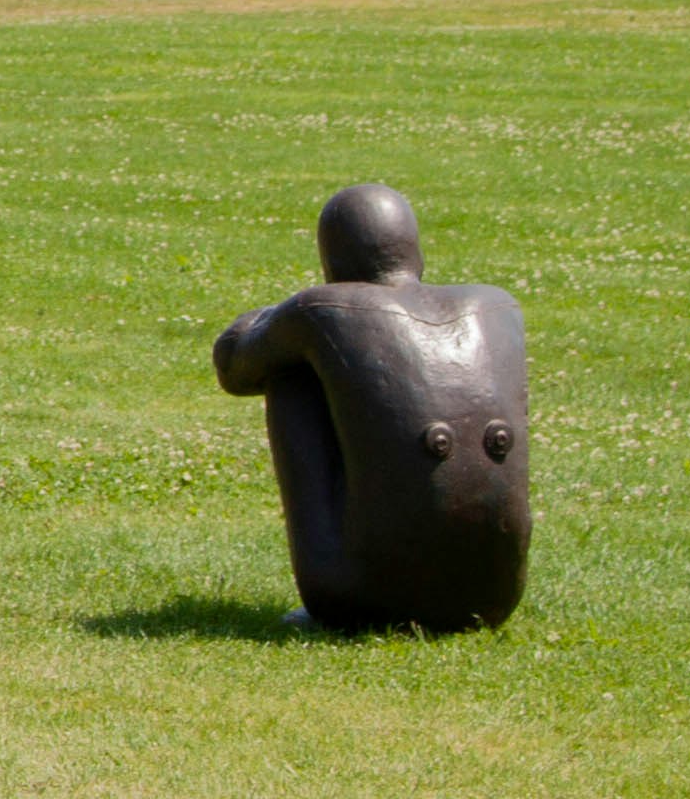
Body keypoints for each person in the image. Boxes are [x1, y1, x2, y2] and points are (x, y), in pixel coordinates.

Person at [212, 182, 531, 634]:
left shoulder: (324, 309)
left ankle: (332, 586)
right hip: (495, 597)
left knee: (290, 373)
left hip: (364, 596)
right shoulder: (497, 304)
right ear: (414, 250)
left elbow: (233, 363)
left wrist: (289, 314)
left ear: (333, 259)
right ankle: (472, 577)